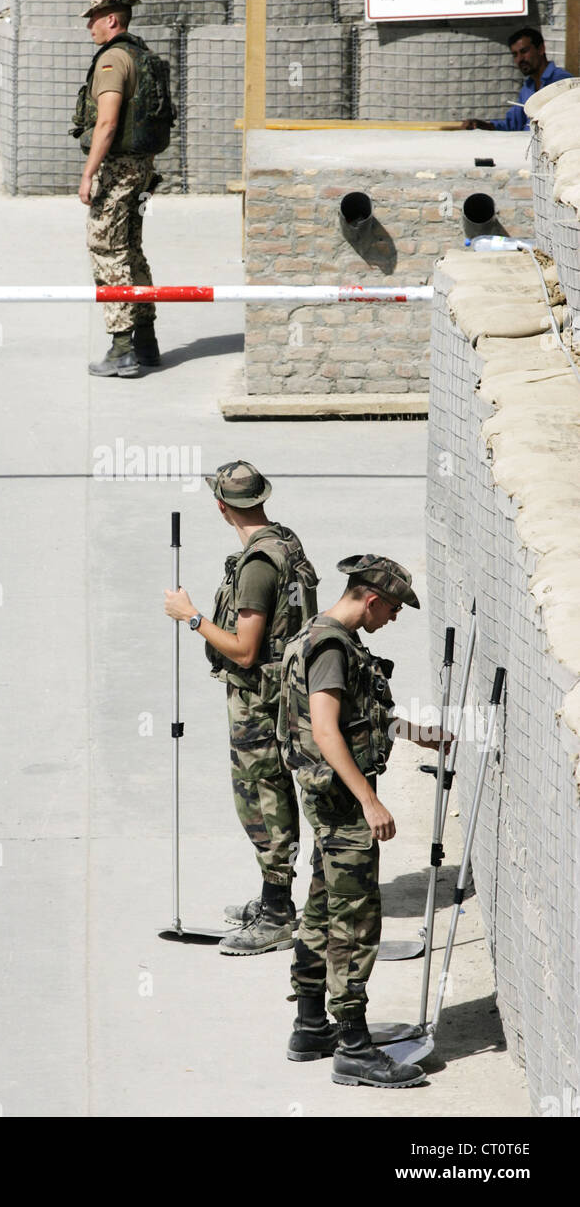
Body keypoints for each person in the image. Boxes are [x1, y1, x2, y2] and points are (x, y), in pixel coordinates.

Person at [278, 555, 452, 1088]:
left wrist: (417, 732)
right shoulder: (332, 648)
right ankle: (353, 1046)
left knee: (323, 902)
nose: (394, 619)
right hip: (343, 802)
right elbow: (328, 731)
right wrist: (370, 801)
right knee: (355, 919)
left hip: (326, 799)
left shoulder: (318, 633)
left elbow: (356, 717)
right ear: (370, 599)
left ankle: (311, 1025)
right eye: (393, 609)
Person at [164, 461, 319, 955]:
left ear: (221, 507)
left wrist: (192, 619)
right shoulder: (285, 541)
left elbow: (245, 649)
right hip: (287, 686)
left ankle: (277, 914)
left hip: (260, 696)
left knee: (261, 798)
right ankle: (276, 898)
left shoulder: (256, 565)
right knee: (271, 793)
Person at [74, 0, 168, 378]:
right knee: (131, 251)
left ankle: (122, 348)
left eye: (94, 17)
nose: (89, 26)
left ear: (112, 19)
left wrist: (89, 172)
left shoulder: (113, 59)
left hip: (118, 170)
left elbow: (108, 122)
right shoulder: (141, 55)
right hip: (144, 169)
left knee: (106, 250)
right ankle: (146, 342)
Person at [454, 28, 573, 131]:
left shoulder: (563, 82)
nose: (520, 59)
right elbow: (512, 125)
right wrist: (483, 125)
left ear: (541, 49)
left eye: (524, 51)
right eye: (515, 55)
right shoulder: (528, 87)